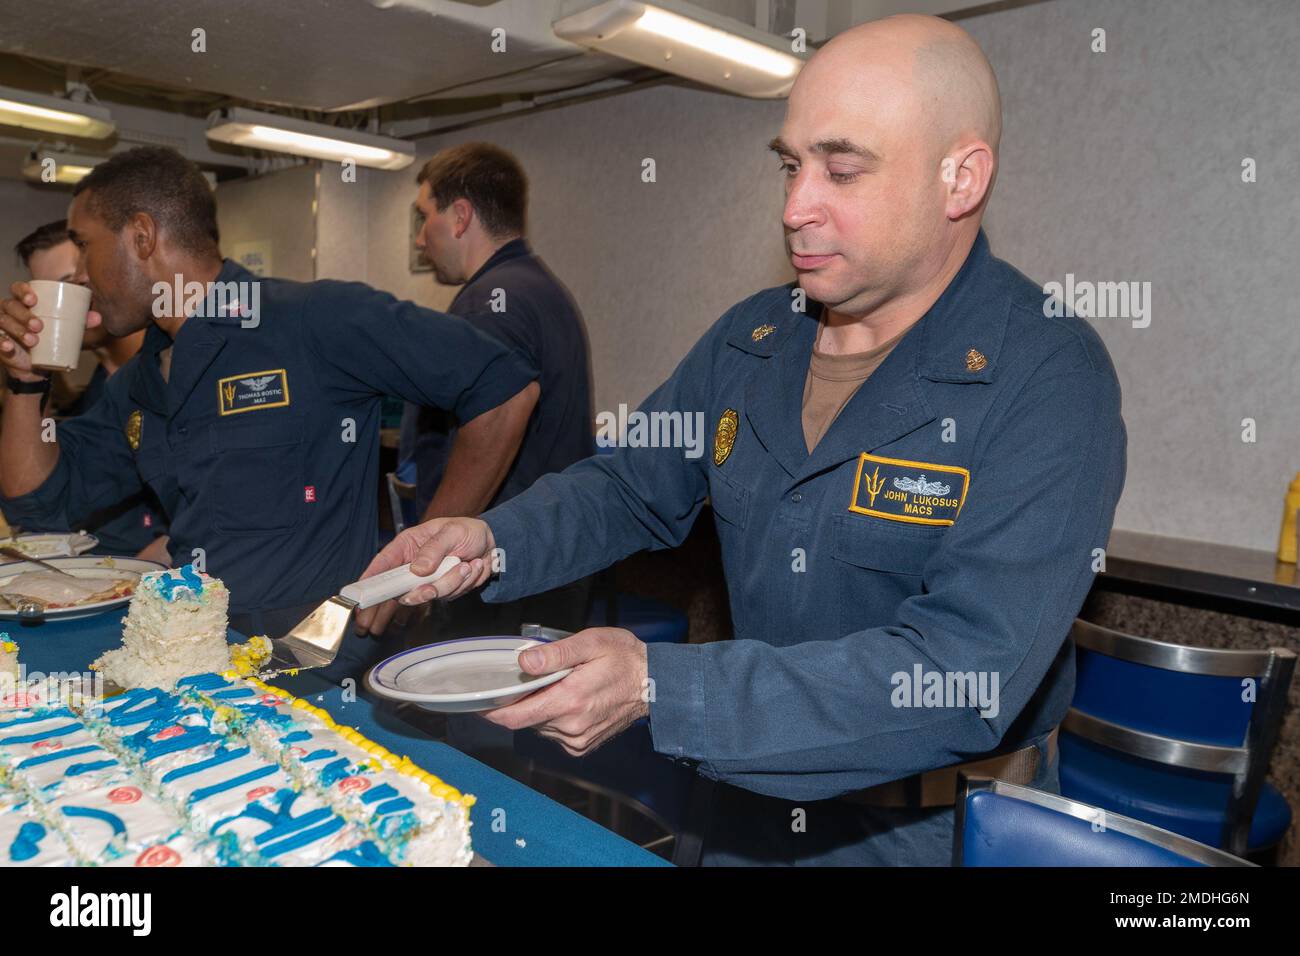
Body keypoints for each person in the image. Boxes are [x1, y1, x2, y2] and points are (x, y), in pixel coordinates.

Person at [359, 14, 1129, 866]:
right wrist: (491, 539)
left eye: (842, 170)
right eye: (791, 166)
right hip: (742, 804)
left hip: (928, 835)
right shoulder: (753, 341)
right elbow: (627, 486)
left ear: (960, 179)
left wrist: (662, 685)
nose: (797, 207)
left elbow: (961, 675)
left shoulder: (1048, 374)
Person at [0, 146, 540, 681]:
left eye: (85, 246)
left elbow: (504, 389)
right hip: (195, 660)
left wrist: (421, 557)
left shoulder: (313, 319)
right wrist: (25, 379)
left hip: (317, 666)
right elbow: (38, 502)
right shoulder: (142, 380)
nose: (82, 276)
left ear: (142, 237)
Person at [376, 143, 596, 640]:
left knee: (480, 713)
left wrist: (425, 554)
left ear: (459, 216)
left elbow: (495, 421)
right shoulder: (538, 288)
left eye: (423, 216)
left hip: (497, 568)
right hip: (543, 557)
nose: (419, 236)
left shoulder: (490, 303)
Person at [9, 219, 165, 559]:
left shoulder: (169, 370)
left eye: (72, 283)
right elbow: (32, 500)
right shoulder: (98, 393)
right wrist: (27, 374)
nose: (57, 306)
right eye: (46, 293)